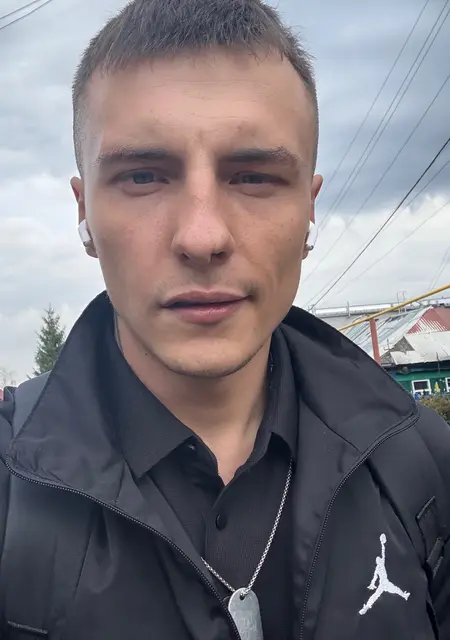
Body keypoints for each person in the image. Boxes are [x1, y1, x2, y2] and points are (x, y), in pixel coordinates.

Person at [0, 1, 449, 638]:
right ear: (85, 214)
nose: (202, 237)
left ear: (309, 210)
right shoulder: (11, 488)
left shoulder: (422, 464)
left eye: (254, 177)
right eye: (144, 175)